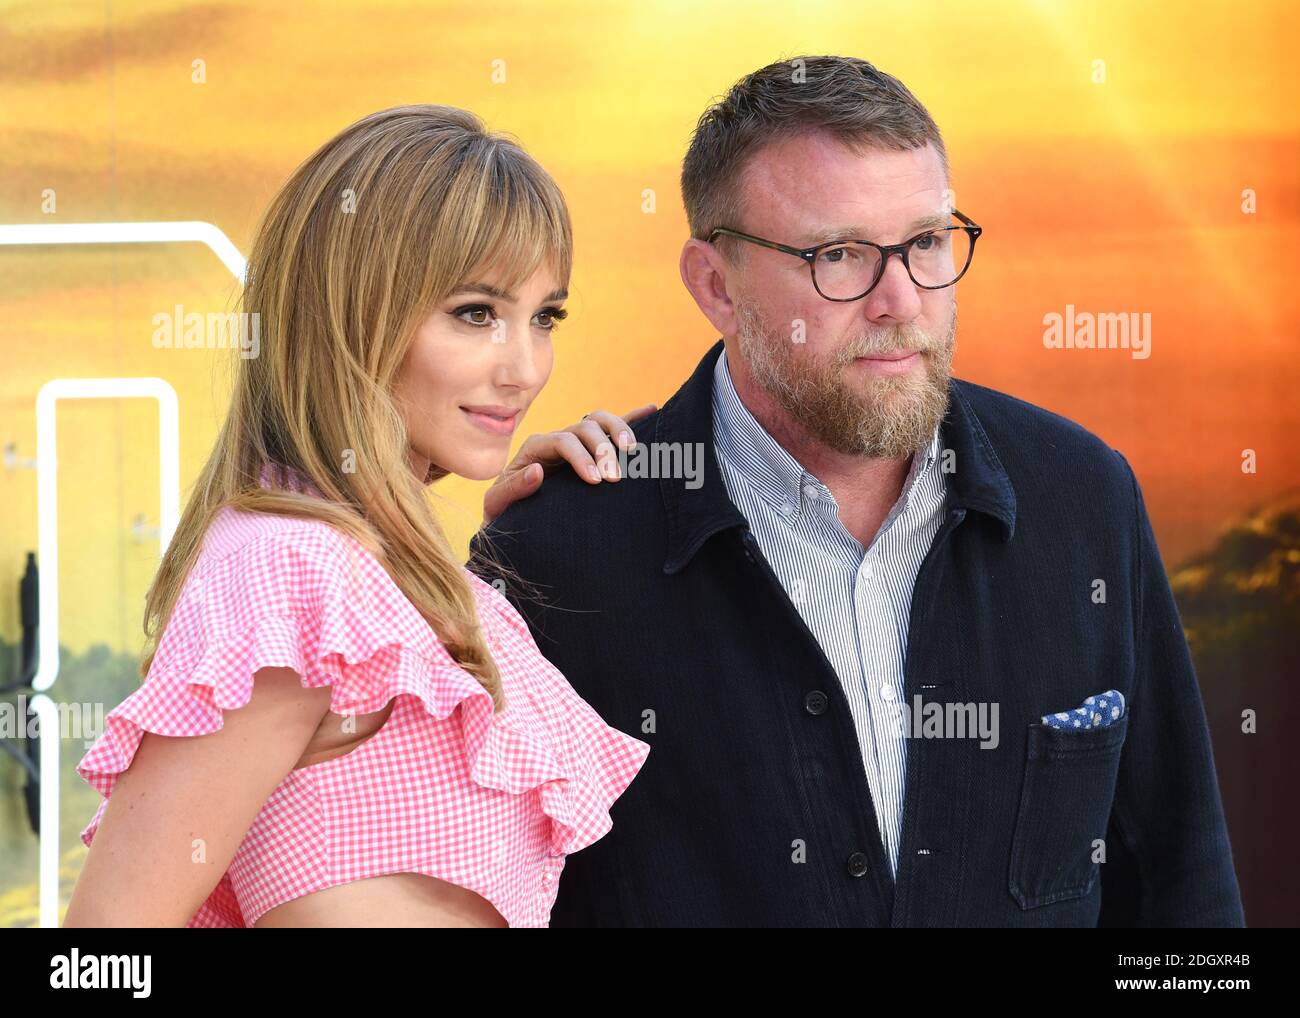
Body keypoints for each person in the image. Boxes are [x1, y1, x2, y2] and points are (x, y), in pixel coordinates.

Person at [471, 55, 1246, 926]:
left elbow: (1187, 900)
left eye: (924, 243)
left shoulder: (1085, 497)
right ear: (715, 286)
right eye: (837, 255)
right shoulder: (553, 558)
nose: (900, 301)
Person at [63, 105, 652, 928]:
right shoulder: (291, 571)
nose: (525, 369)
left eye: (544, 316)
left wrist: (532, 528)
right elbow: (100, 953)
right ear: (352, 313)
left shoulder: (385, 583)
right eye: (476, 313)